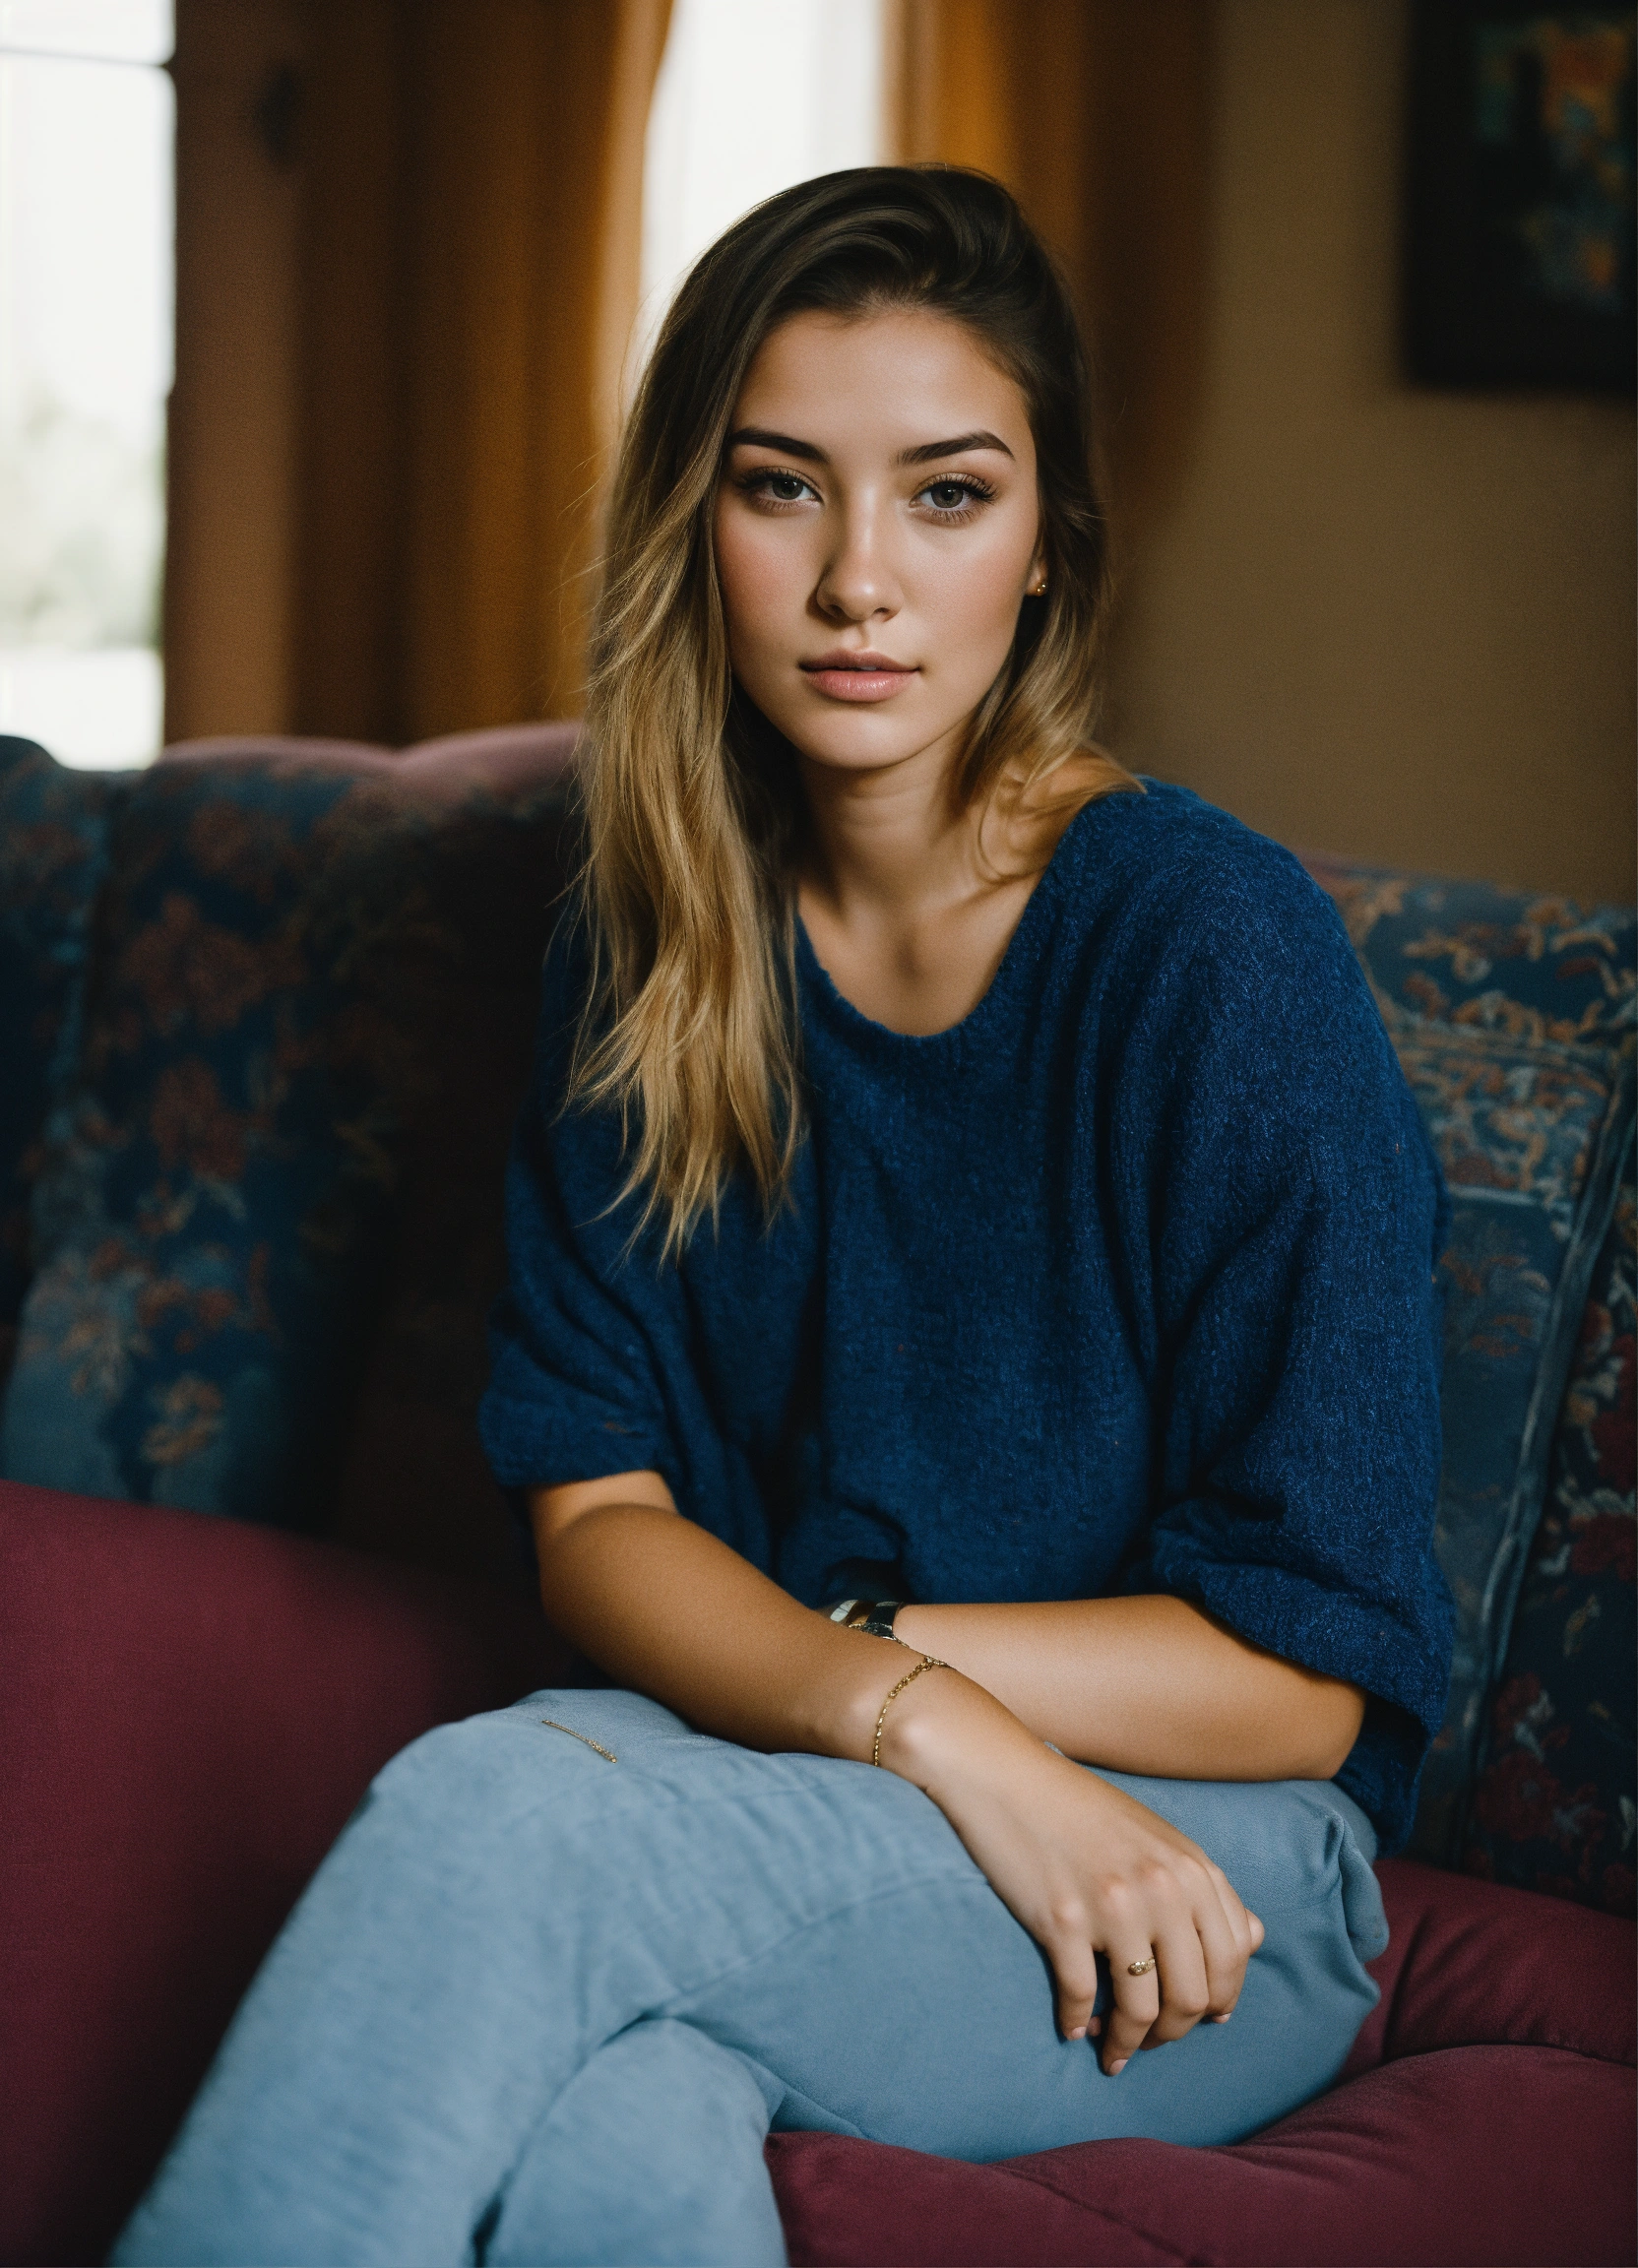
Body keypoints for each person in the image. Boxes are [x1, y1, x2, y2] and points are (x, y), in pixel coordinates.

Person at [114, 167, 1451, 2268]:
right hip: (824, 1784)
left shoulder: (1209, 951)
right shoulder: (647, 939)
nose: (857, 583)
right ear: (691, 527)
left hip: (1215, 1885)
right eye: (779, 489)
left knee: (508, 1807)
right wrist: (924, 1734)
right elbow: (595, 1517)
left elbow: (1306, 1676)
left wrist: (888, 1681)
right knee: (620, 2132)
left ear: (1047, 549)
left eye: (944, 495)